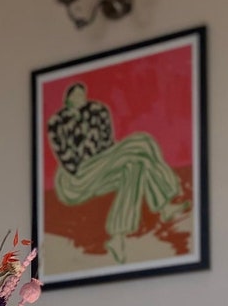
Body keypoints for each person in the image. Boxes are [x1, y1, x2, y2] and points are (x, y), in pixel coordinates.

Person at [46, 81, 190, 262]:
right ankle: (165, 198)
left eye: (82, 94)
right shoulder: (57, 121)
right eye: (74, 95)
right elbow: (69, 160)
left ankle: (118, 238)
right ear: (67, 98)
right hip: (75, 180)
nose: (79, 98)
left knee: (135, 166)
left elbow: (107, 144)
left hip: (103, 168)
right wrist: (100, 157)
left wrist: (108, 160)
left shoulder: (97, 111)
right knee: (142, 141)